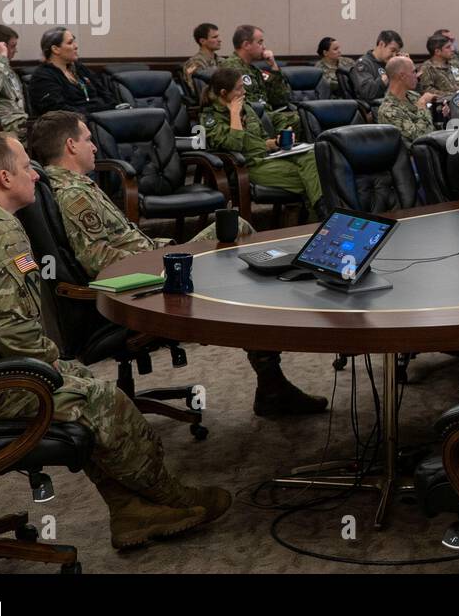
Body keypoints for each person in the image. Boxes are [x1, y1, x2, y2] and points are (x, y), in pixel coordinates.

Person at [0, 132, 230, 550]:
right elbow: (12, 329)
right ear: (3, 177)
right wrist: (48, 365)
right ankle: (173, 499)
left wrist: (52, 363)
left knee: (76, 379)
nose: (34, 173)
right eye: (24, 166)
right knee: (102, 398)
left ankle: (132, 511)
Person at [27, 111, 326, 418]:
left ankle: (271, 377)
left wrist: (163, 248)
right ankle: (272, 380)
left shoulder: (71, 185)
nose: (95, 147)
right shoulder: (73, 194)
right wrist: (163, 257)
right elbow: (96, 260)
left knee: (234, 228)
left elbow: (120, 244)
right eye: (88, 140)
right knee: (238, 240)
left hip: (153, 265)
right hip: (145, 284)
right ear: (70, 146)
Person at [200, 69, 325, 218]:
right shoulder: (210, 118)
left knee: (311, 155)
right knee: (318, 177)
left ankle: (320, 213)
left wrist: (277, 142)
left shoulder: (246, 108)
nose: (244, 91)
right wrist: (234, 114)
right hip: (246, 166)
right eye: (239, 88)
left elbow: (262, 140)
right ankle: (320, 215)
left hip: (267, 158)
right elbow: (234, 146)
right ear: (223, 92)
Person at [220, 25, 299, 134]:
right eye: (260, 42)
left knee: (302, 114)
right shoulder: (230, 68)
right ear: (246, 45)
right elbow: (239, 103)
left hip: (265, 114)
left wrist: (273, 66)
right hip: (248, 117)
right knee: (294, 119)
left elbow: (281, 98)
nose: (264, 47)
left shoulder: (254, 69)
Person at [28, 28, 117, 116]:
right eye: (70, 43)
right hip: (75, 124)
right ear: (55, 49)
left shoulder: (79, 68)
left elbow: (105, 93)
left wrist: (113, 110)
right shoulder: (42, 77)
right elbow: (58, 109)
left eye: (74, 42)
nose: (76, 46)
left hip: (103, 118)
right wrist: (94, 116)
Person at [377, 56, 437, 146]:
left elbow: (430, 126)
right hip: (414, 156)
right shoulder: (389, 110)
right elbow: (420, 136)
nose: (417, 76)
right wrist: (422, 105)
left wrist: (442, 114)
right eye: (413, 72)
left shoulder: (413, 96)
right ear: (402, 76)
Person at [351, 30, 403, 102]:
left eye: (397, 52)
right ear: (381, 44)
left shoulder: (390, 63)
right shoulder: (363, 64)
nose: (394, 55)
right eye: (392, 50)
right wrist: (386, 77)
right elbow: (368, 92)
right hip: (375, 108)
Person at [182, 22, 229, 90]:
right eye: (214, 37)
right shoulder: (193, 64)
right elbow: (195, 88)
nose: (219, 40)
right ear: (202, 41)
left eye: (218, 36)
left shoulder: (222, 61)